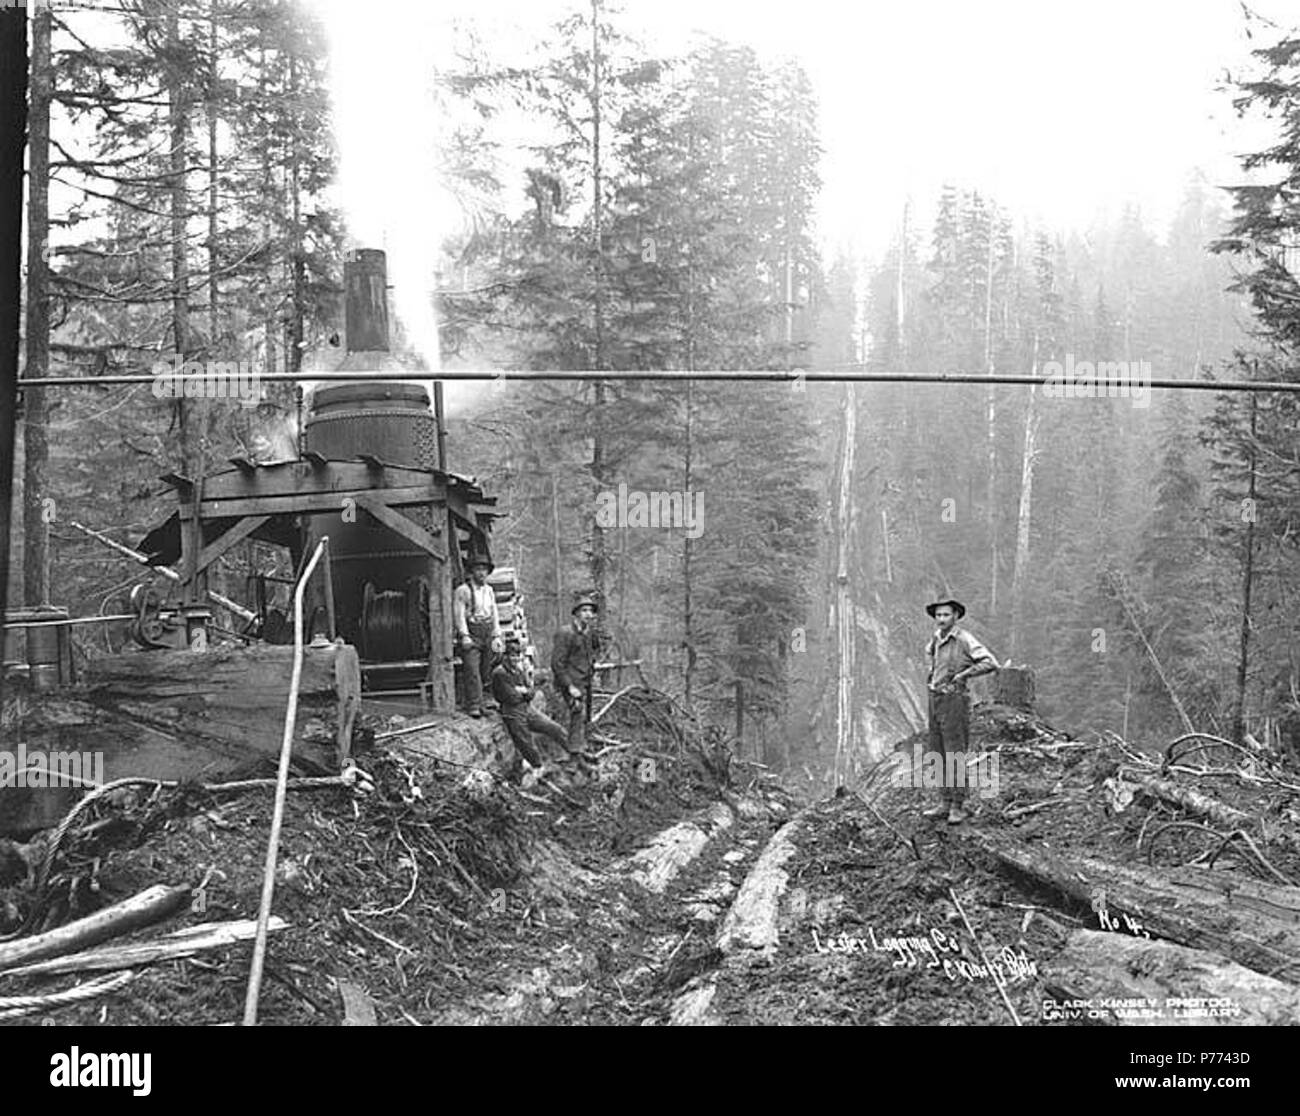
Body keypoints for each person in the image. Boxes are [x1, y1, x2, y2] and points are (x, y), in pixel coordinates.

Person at [923, 596, 998, 824]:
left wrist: (963, 675)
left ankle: (958, 805)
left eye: (946, 615)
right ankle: (944, 801)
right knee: (937, 751)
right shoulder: (936, 639)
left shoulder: (965, 640)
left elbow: (990, 662)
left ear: (955, 616)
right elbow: (931, 658)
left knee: (955, 752)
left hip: (955, 701)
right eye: (938, 615)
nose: (941, 619)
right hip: (935, 699)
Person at [492, 637, 567, 774]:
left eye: (517, 656)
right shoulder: (500, 673)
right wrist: (523, 692)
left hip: (526, 708)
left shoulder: (518, 670)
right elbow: (511, 697)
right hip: (512, 712)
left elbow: (531, 691)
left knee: (554, 728)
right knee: (525, 741)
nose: (515, 659)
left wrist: (524, 691)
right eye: (512, 656)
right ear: (505, 656)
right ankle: (538, 768)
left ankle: (576, 753)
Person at [453, 556, 502, 717]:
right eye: (478, 569)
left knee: (486, 670)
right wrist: (464, 635)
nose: (481, 573)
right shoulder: (463, 590)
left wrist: (497, 634)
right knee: (472, 669)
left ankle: (484, 704)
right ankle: (473, 705)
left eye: (484, 570)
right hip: (472, 632)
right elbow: (459, 615)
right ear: (471, 571)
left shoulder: (489, 590)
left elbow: (494, 612)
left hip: (487, 631)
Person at [551, 594, 599, 756]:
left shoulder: (589, 632)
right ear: (576, 613)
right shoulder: (566, 633)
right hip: (568, 683)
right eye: (584, 610)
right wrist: (569, 686)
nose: (588, 614)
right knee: (566, 719)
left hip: (584, 682)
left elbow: (594, 650)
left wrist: (593, 666)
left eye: (590, 611)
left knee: (581, 719)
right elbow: (557, 663)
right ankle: (560, 758)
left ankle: (576, 752)